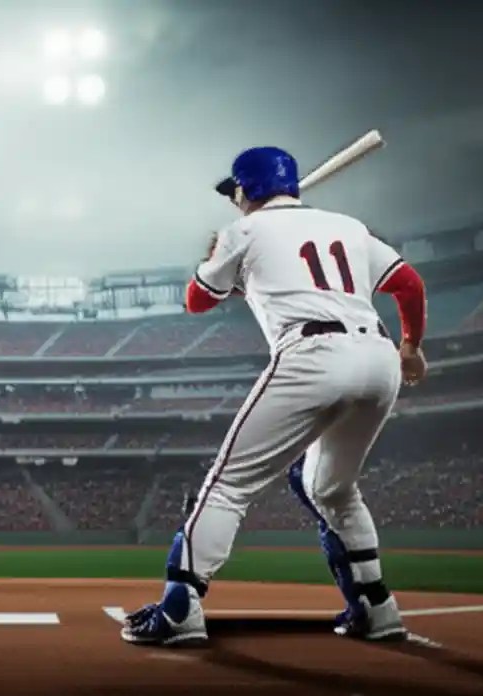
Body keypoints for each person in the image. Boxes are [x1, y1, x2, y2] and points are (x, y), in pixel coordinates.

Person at [121, 146, 428, 646]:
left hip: (314, 354)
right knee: (332, 489)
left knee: (227, 486)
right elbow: (409, 285)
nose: (233, 200)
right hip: (378, 358)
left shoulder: (242, 231)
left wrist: (216, 265)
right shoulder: (349, 226)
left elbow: (196, 302)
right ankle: (378, 608)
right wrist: (410, 346)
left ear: (247, 189)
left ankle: (180, 609)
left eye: (235, 191)